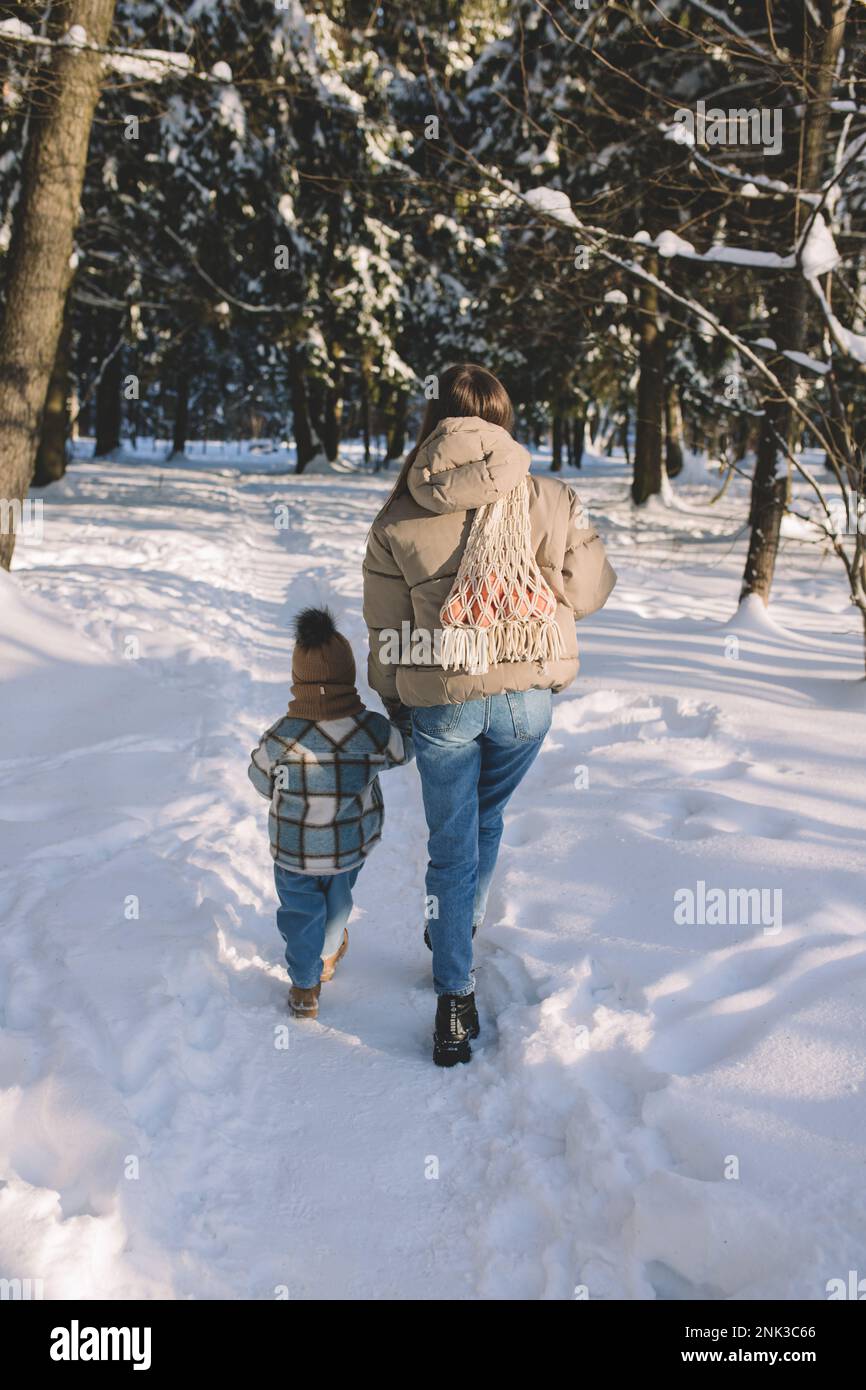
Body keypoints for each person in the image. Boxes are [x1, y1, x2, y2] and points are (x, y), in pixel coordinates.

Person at [363, 363, 616, 1066]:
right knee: (488, 818)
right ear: (501, 418)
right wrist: (577, 536)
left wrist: (395, 700)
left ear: (433, 423)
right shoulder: (552, 495)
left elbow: (387, 632)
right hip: (527, 700)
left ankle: (453, 996)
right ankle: (459, 934)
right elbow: (589, 591)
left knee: (452, 842)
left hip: (444, 698)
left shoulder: (400, 515)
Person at [249, 607, 413, 1019]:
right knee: (338, 903)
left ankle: (305, 986)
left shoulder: (281, 736)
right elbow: (404, 750)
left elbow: (260, 779)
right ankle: (327, 952)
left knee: (300, 912)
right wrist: (402, 714)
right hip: (346, 849)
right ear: (348, 674)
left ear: (297, 678)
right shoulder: (370, 730)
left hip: (293, 852)